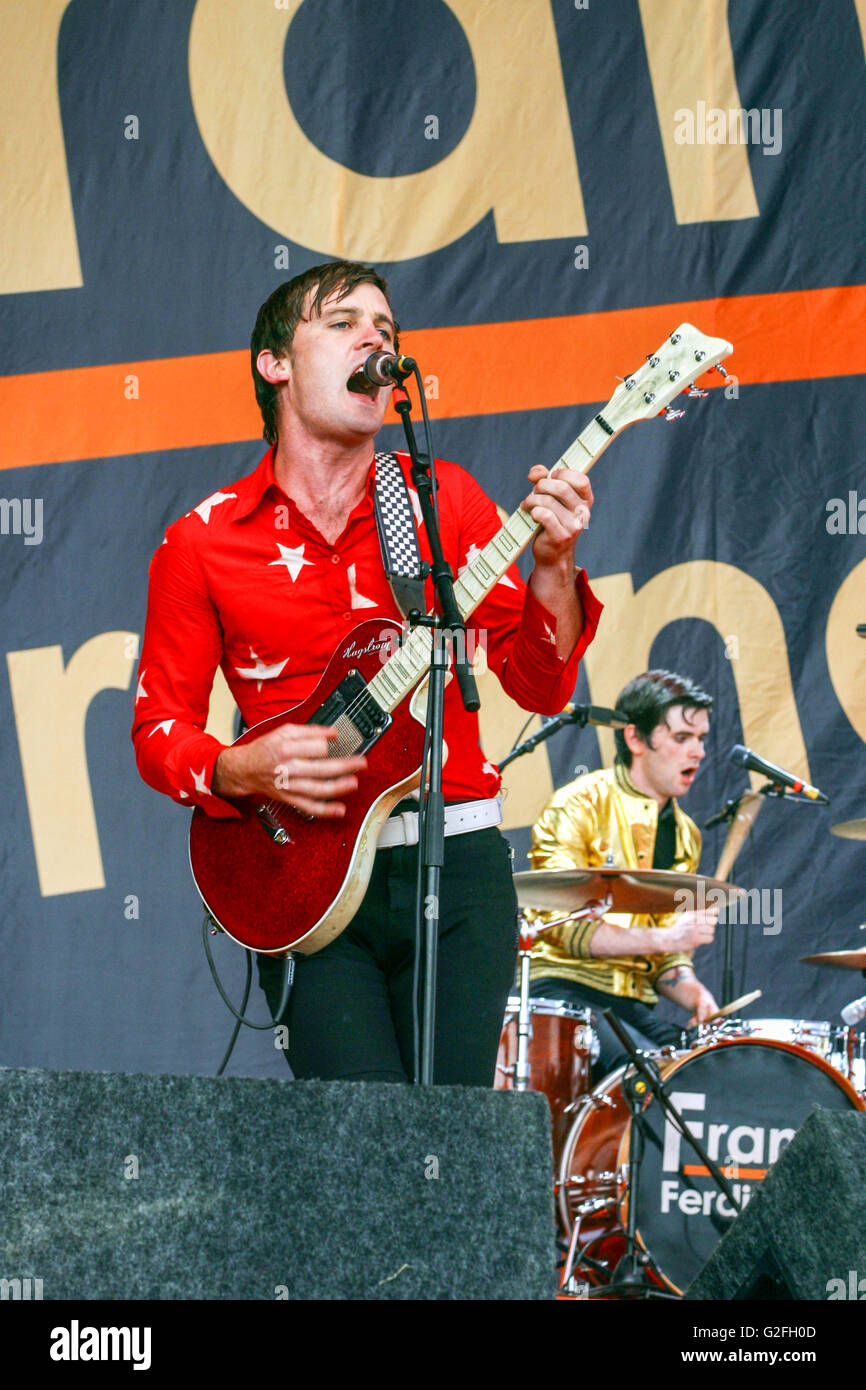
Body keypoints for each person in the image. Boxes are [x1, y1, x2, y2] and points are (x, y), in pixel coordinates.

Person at [132, 260, 602, 1085]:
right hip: (301, 875)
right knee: (358, 1163)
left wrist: (555, 567)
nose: (375, 340)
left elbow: (538, 684)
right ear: (274, 362)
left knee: (452, 1150)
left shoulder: (441, 501)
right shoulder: (202, 541)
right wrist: (236, 766)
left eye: (386, 329)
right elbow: (158, 729)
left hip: (457, 866)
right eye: (344, 323)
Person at [528, 669, 720, 1080]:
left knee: (703, 1073)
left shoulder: (686, 834)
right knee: (645, 1079)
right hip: (565, 994)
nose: (698, 752)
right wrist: (669, 938)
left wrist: (695, 995)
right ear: (635, 739)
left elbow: (667, 960)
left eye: (701, 739)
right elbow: (565, 926)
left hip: (632, 1006)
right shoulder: (578, 804)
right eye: (683, 738)